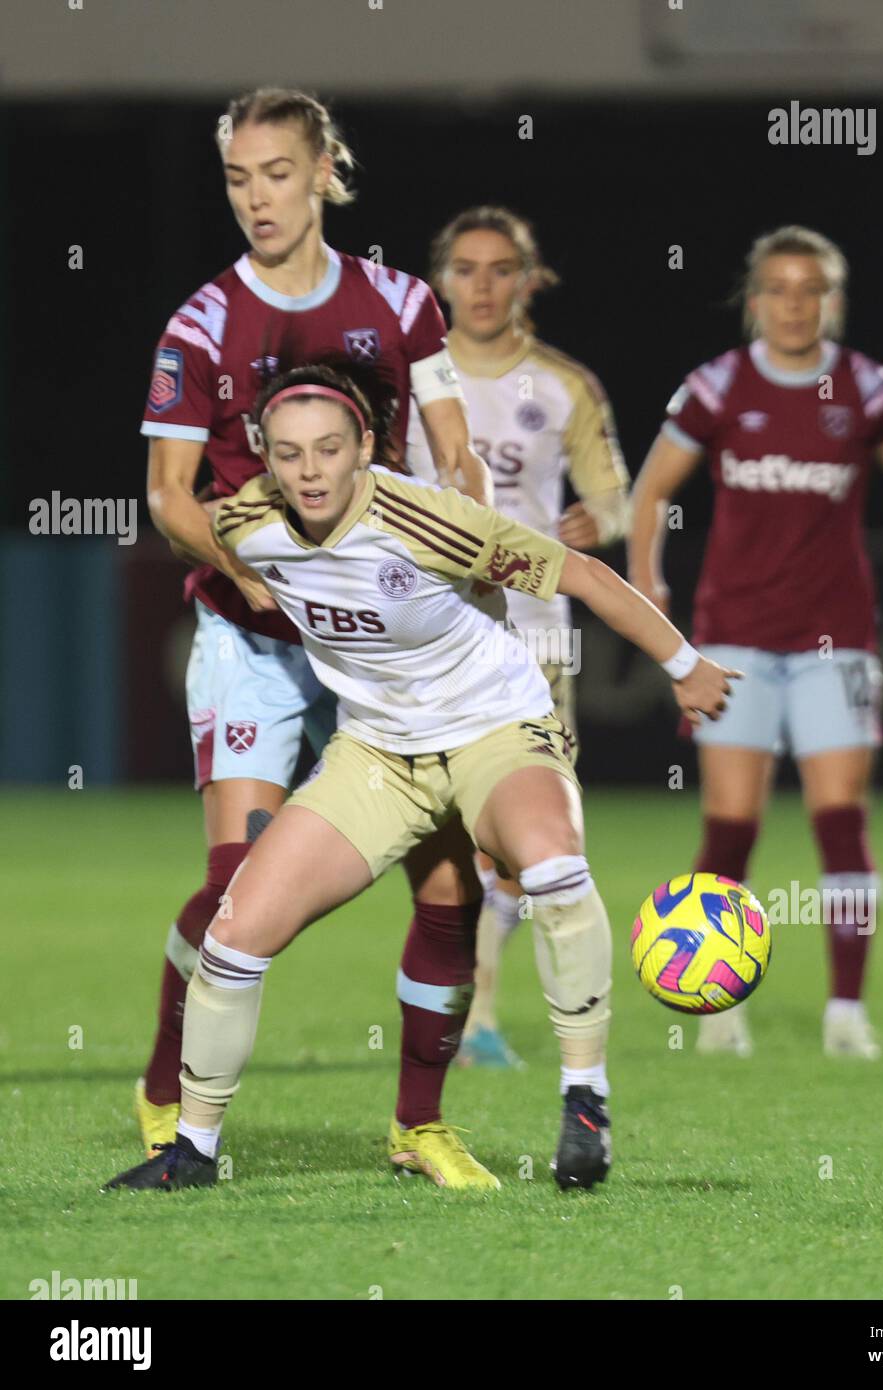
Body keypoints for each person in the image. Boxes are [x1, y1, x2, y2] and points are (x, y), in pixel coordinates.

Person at [104, 359, 739, 1194]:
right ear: (262, 452)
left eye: (329, 449)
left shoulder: (430, 519)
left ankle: (585, 1099)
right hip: (376, 756)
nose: (309, 470)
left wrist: (683, 663)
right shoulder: (248, 521)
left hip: (495, 734)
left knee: (551, 868)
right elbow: (182, 516)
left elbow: (579, 573)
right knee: (232, 936)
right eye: (288, 453)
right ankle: (192, 1151)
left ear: (365, 445)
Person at [136, 86, 497, 1187]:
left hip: (382, 646)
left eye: (277, 173)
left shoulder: (400, 303)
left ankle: (419, 1127)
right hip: (253, 638)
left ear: (325, 171)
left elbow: (454, 455)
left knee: (451, 885)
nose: (257, 198)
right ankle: (165, 1089)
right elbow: (167, 493)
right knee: (240, 881)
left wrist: (458, 542)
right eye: (239, 178)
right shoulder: (200, 324)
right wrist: (263, 573)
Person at [628, 225, 883, 1061]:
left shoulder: (867, 388)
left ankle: (845, 1013)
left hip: (836, 644)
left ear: (833, 300)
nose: (794, 303)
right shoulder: (714, 388)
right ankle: (716, 1006)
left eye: (811, 288)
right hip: (733, 642)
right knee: (729, 830)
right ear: (753, 302)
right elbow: (650, 492)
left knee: (840, 824)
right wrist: (648, 578)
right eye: (779, 289)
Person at [405, 206, 631, 1068]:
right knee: (440, 840)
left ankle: (483, 1015)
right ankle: (454, 1010)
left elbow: (618, 492)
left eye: (502, 269)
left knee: (523, 836)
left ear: (529, 279)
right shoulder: (413, 379)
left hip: (535, 638)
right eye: (466, 268)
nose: (483, 285)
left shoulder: (565, 385)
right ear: (440, 279)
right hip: (425, 634)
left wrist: (597, 521)